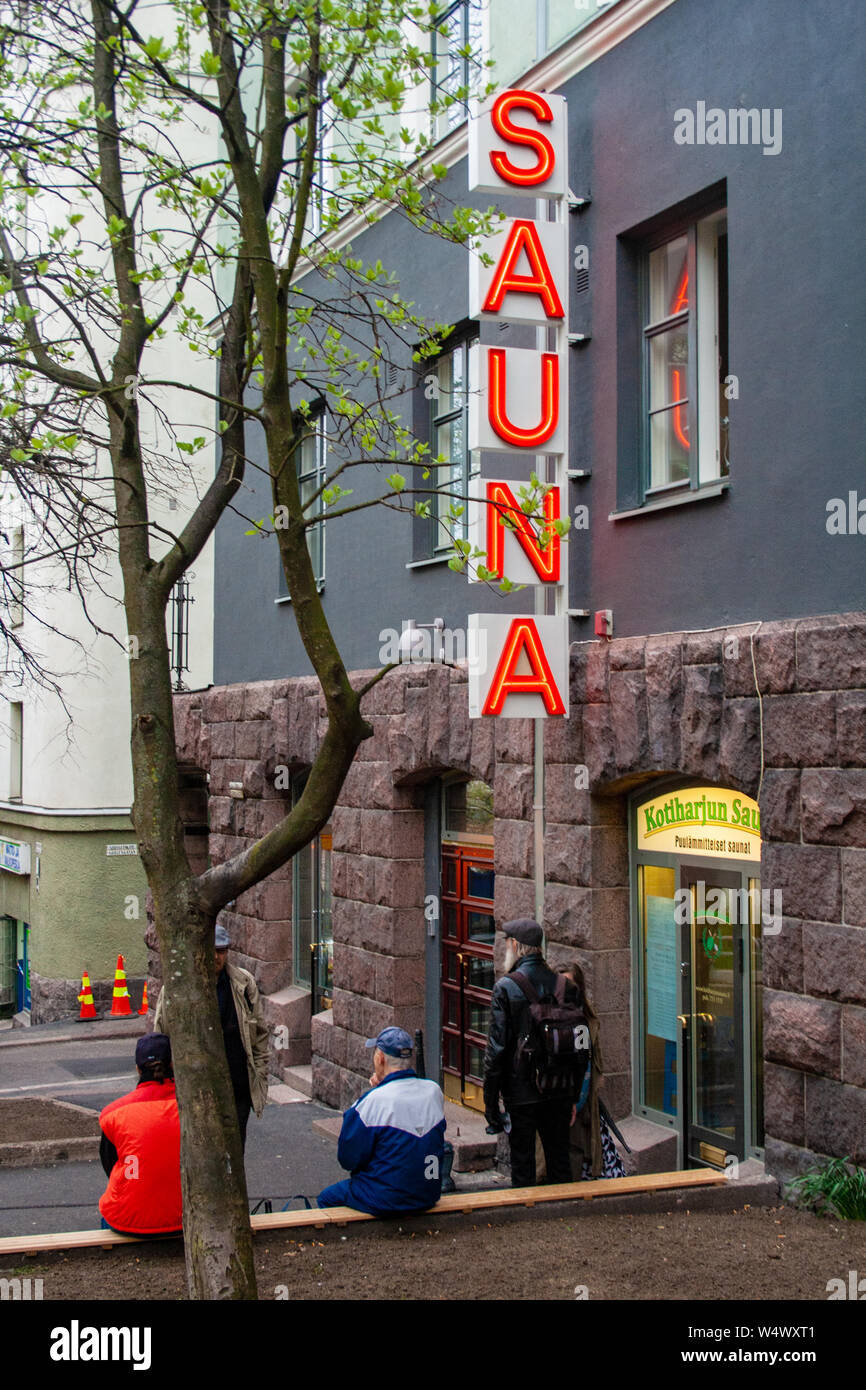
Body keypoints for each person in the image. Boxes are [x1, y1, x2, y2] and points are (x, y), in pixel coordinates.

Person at [483, 918, 583, 1188]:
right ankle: (566, 1218)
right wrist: (573, 1095)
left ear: (516, 946)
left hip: (521, 1092)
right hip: (559, 1088)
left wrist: (491, 1103)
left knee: (523, 1164)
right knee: (559, 1161)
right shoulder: (567, 987)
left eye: (506, 945)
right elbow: (581, 1047)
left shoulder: (506, 987)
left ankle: (526, 1221)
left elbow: (497, 1050)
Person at [153, 918, 269, 1151]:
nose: (216, 957)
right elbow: (161, 1037)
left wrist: (261, 1076)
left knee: (235, 1151)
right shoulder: (176, 988)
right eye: (211, 951)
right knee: (201, 1152)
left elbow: (259, 1035)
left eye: (222, 951)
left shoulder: (243, 984)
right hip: (196, 1089)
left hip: (237, 1088)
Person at [317, 1026, 446, 1215]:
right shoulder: (433, 1091)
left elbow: (348, 1159)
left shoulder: (372, 1102)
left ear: (381, 1058)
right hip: (428, 1193)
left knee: (326, 1198)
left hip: (386, 1197)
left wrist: (377, 1091)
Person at [98, 1033, 182, 1236]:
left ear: (137, 1068)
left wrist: (137, 1173)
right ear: (173, 1064)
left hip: (128, 1218)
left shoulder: (114, 1113)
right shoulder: (195, 1106)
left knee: (127, 1175)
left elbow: (110, 1164)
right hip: (187, 1217)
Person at [559, 962, 626, 1181]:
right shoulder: (550, 1017)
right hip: (558, 1104)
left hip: (580, 1106)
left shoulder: (584, 1021)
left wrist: (576, 1103)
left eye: (569, 984)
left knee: (579, 1156)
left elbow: (586, 1068)